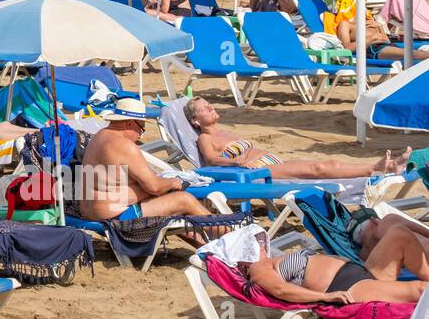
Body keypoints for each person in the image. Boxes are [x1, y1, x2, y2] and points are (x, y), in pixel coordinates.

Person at [186, 97, 409, 178]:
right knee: (319, 168)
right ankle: (375, 169)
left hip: (269, 162)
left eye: (209, 105)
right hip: (254, 171)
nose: (210, 108)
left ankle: (386, 166)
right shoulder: (205, 138)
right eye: (204, 109)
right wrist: (238, 161)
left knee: (327, 164)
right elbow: (212, 160)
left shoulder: (227, 132)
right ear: (196, 121)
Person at [78, 99, 214, 224]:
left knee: (170, 207)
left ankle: (205, 244)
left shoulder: (98, 137)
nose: (140, 135)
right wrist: (173, 182)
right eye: (141, 129)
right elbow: (154, 187)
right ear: (130, 123)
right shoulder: (123, 145)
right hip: (115, 216)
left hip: (90, 212)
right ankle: (227, 235)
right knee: (185, 200)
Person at [241, 228, 426, 306]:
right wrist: (326, 297)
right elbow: (281, 290)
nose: (261, 241)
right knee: (420, 290)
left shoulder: (274, 259)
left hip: (360, 272)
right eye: (255, 239)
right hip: (347, 287)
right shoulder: (257, 268)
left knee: (399, 234)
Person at [338, 12, 429, 61]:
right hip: (373, 49)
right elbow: (347, 49)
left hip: (387, 46)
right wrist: (372, 38)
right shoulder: (345, 24)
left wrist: (379, 26)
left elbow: (386, 40)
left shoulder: (369, 23)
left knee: (415, 55)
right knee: (416, 54)